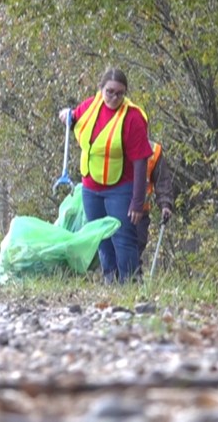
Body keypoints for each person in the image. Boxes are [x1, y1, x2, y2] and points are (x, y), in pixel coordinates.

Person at [59, 67, 153, 283]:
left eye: (120, 93)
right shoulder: (91, 105)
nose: (114, 97)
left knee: (123, 238)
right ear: (100, 89)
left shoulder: (133, 118)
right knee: (101, 238)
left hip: (121, 188)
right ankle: (109, 280)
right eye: (110, 91)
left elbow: (141, 163)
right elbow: (75, 118)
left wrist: (138, 202)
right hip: (91, 187)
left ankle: (129, 284)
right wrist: (66, 116)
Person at [136, 141, 174, 271]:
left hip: (140, 212)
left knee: (137, 246)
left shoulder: (154, 151)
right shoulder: (117, 142)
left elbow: (162, 180)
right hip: (116, 208)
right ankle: (115, 280)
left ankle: (132, 281)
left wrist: (165, 204)